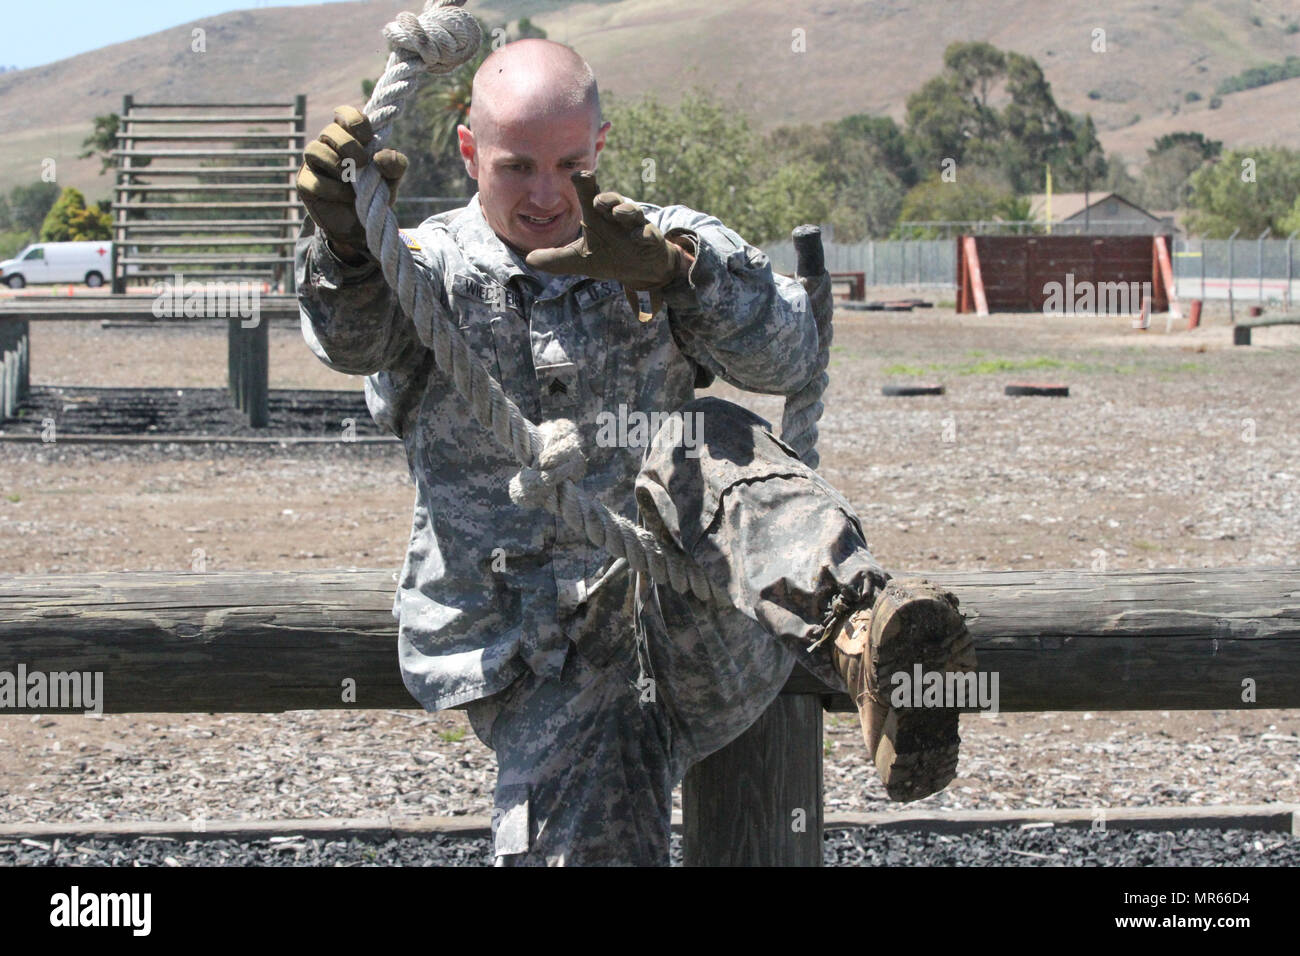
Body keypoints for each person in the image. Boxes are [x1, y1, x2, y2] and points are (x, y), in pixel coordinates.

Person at [296, 38, 972, 866]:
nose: (547, 194)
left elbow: (792, 356)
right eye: (516, 167)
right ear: (469, 151)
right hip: (537, 659)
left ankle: (866, 635)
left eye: (569, 164)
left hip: (693, 626)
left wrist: (677, 274)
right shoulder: (423, 271)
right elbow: (350, 343)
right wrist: (347, 252)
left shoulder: (656, 240)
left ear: (601, 147)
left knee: (704, 440)